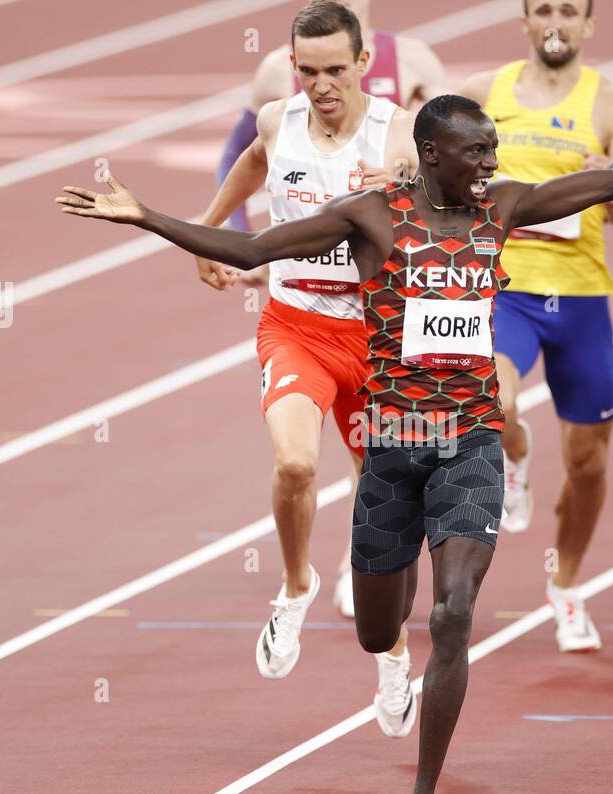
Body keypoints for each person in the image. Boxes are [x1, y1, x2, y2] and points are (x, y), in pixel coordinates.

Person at [58, 47, 613, 794]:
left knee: (455, 613)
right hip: (393, 446)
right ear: (433, 157)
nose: (493, 164)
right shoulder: (370, 216)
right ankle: (383, 654)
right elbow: (255, 253)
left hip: (468, 440)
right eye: (479, 153)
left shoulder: (499, 207)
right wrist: (145, 215)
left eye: (495, 152)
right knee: (376, 624)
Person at [194, 1, 420, 735]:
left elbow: (426, 218)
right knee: (295, 465)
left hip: (376, 339)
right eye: (308, 70)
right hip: (294, 326)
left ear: (363, 64)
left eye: (334, 70)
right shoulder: (275, 120)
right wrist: (211, 228)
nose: (321, 85)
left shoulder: (397, 133)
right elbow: (254, 163)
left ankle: (392, 658)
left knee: (381, 511)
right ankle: (294, 587)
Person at [458, 0, 613, 652]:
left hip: (581, 299)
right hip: (506, 292)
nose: (555, 21)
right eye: (543, 9)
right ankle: (515, 454)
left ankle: (565, 587)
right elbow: (447, 180)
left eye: (569, 10)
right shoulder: (488, 94)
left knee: (588, 461)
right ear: (526, 22)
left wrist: (600, 180)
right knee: (493, 400)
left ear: (588, 25)